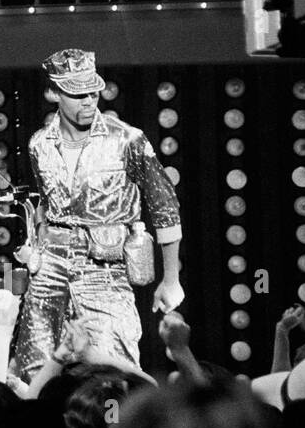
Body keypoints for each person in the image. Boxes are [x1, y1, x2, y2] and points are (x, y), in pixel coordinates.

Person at [14, 49, 184, 380]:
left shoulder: (127, 140)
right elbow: (48, 203)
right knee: (35, 366)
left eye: (92, 92)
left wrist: (171, 278)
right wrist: (35, 245)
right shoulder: (39, 144)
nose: (88, 101)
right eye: (78, 94)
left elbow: (164, 203)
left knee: (111, 368)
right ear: (56, 93)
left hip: (104, 267)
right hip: (50, 267)